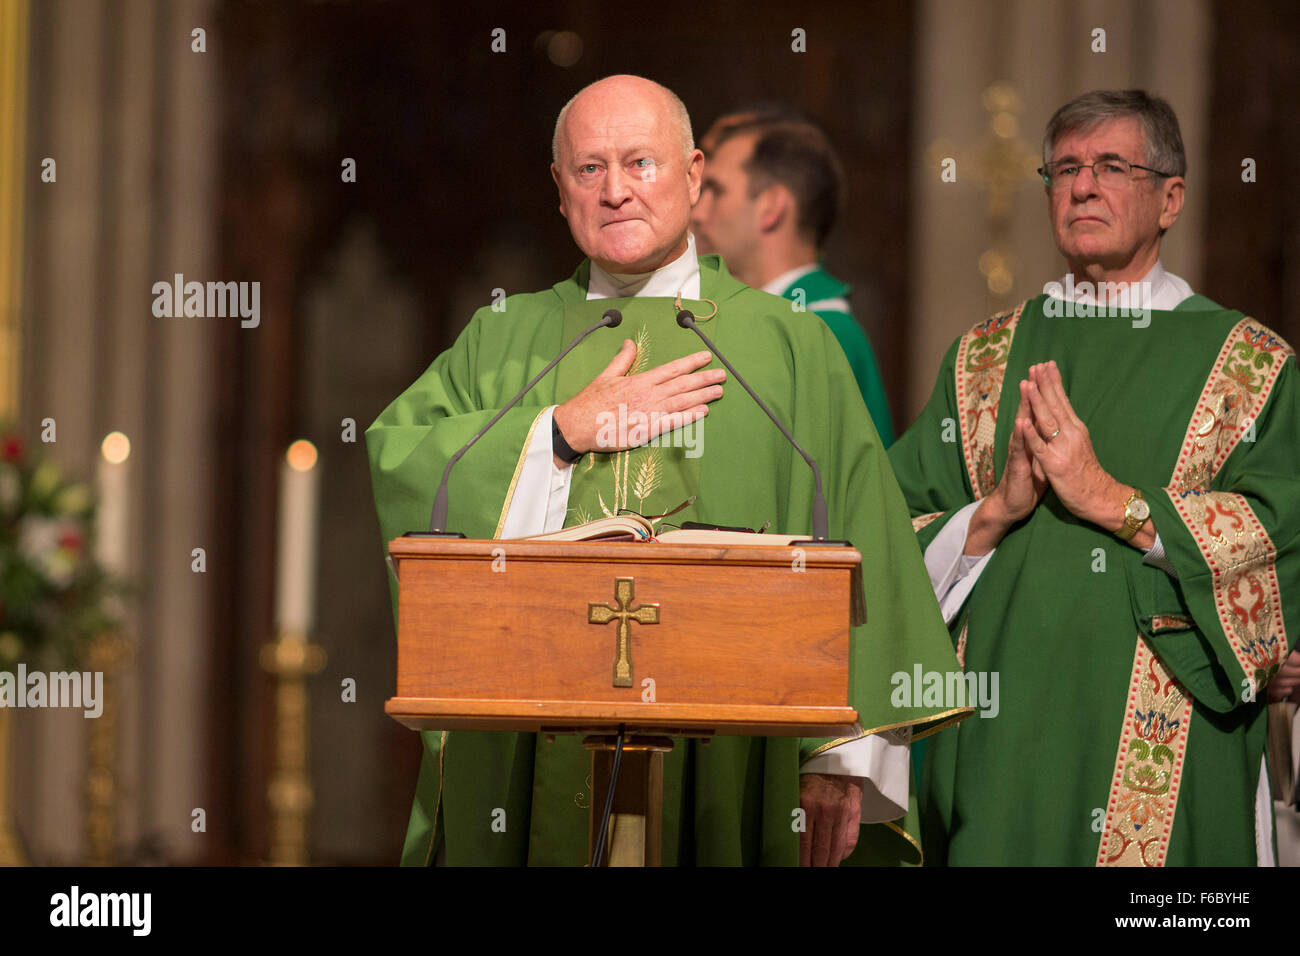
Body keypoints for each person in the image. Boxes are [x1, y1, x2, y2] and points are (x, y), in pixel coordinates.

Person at [366, 75, 965, 866]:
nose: (615, 191)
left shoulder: (788, 349)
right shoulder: (503, 336)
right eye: (589, 169)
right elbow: (402, 461)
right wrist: (556, 432)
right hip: (527, 759)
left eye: (640, 164)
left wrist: (838, 759)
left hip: (733, 769)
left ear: (692, 176)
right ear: (559, 189)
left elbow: (864, 539)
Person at [889, 89, 1299, 865]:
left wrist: (1113, 501)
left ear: (1170, 198)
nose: (1082, 186)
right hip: (994, 740)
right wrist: (992, 516)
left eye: (1112, 166)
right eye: (1065, 168)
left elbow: (1278, 545)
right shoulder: (981, 358)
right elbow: (889, 531)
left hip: (1166, 741)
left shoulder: (1248, 365)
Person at [692, 115, 895, 445]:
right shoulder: (763, 317)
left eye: (715, 191)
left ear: (771, 207)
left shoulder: (822, 330)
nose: (698, 213)